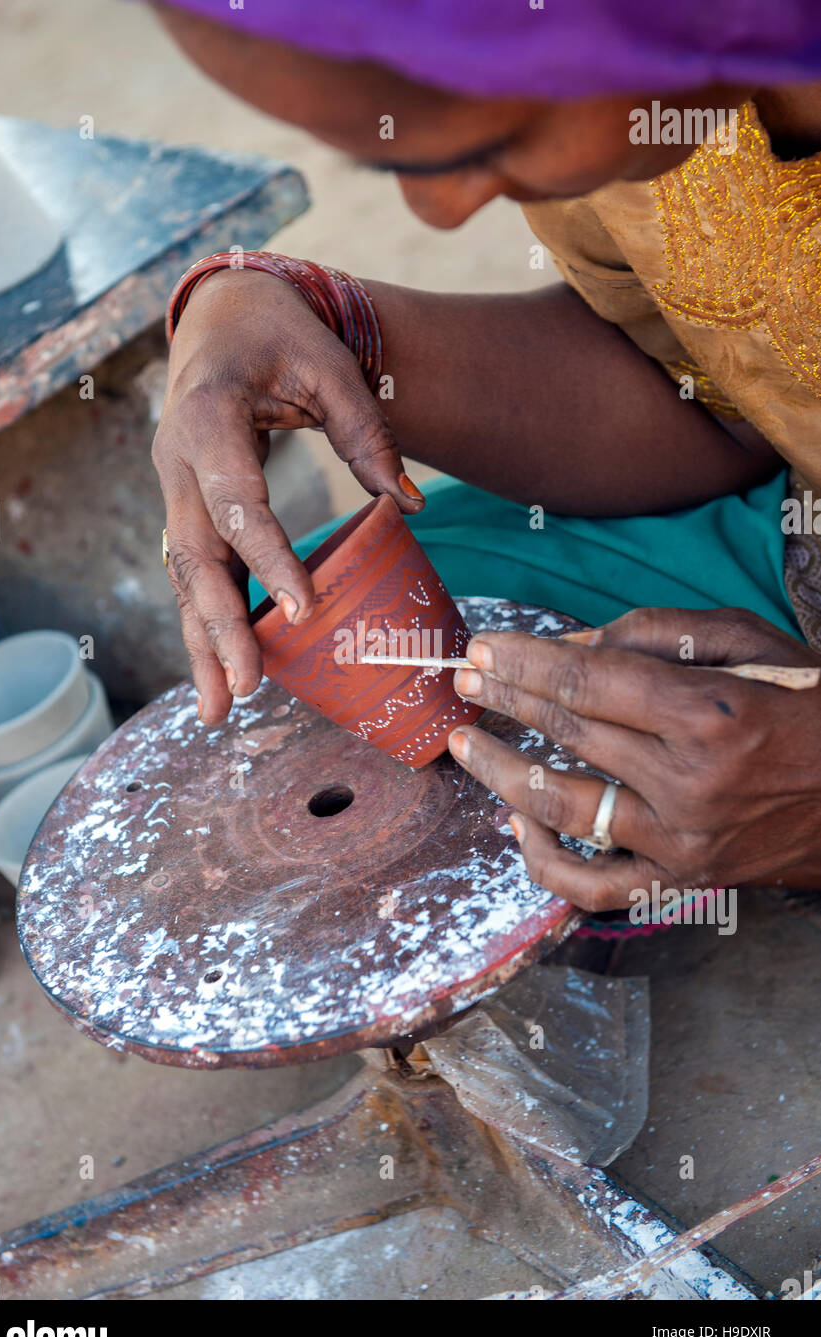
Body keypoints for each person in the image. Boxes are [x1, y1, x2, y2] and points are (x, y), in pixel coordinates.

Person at [149, 0, 821, 913]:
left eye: (473, 137)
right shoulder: (633, 76)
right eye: (392, 156)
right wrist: (301, 321)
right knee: (343, 623)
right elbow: (721, 397)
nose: (442, 208)